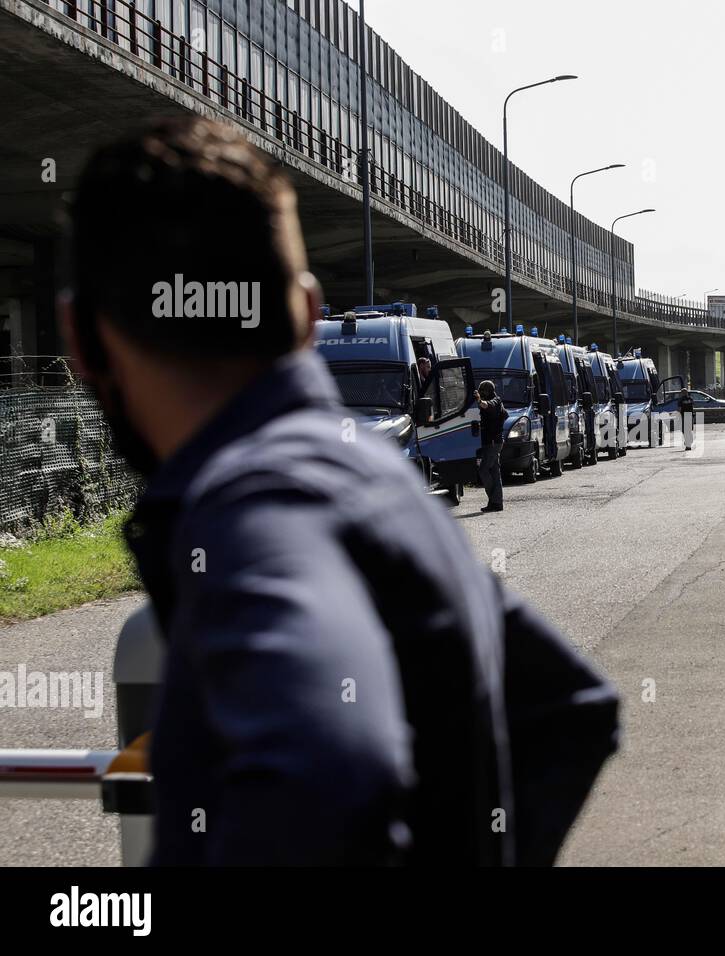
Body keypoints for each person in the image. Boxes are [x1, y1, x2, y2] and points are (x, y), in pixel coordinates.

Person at [63, 117, 618, 866]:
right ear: (306, 310)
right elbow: (562, 709)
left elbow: (328, 770)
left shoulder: (254, 507)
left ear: (79, 340)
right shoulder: (377, 475)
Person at [477, 380, 508, 511]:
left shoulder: (495, 401)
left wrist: (479, 400)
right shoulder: (496, 401)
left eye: (482, 391)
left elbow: (486, 405)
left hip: (493, 442)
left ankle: (494, 500)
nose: (481, 393)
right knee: (495, 472)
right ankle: (496, 503)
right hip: (492, 442)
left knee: (484, 470)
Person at [677, 386, 695, 450]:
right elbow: (692, 407)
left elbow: (679, 409)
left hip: (684, 416)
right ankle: (690, 440)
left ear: (682, 393)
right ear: (687, 393)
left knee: (684, 431)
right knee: (689, 430)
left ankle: (688, 445)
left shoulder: (680, 400)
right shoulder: (691, 399)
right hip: (690, 416)